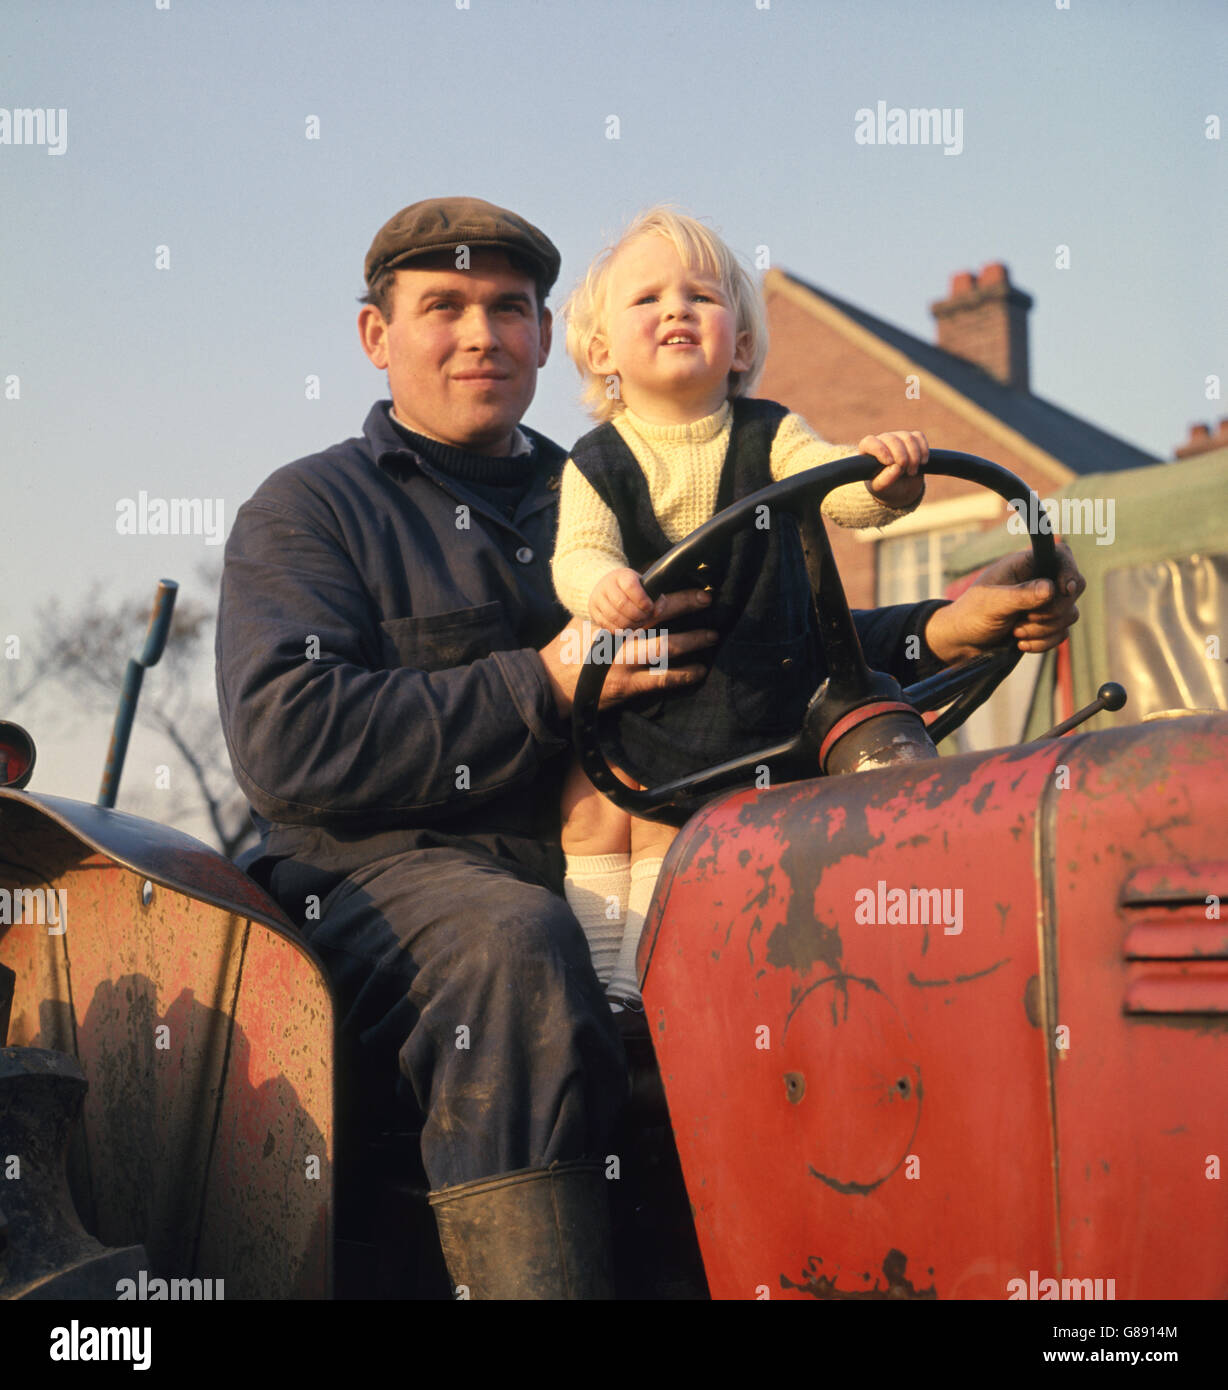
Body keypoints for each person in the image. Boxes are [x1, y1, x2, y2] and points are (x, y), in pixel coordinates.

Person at [215, 195, 1085, 1301]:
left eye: (508, 308)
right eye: (444, 306)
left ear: (545, 336)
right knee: (517, 942)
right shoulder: (311, 511)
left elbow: (754, 652)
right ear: (376, 336)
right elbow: (290, 740)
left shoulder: (594, 481)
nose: (481, 332)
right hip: (380, 882)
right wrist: (544, 679)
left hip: (610, 863)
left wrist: (935, 628)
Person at [552, 208, 933, 1011]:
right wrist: (602, 587)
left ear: (745, 346)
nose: (677, 309)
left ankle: (635, 995)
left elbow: (835, 483)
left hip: (763, 693)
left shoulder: (771, 433)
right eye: (648, 297)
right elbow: (578, 553)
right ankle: (598, 991)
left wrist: (882, 479)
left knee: (667, 831)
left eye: (702, 295)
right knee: (595, 816)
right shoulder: (597, 463)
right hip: (656, 693)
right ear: (601, 352)